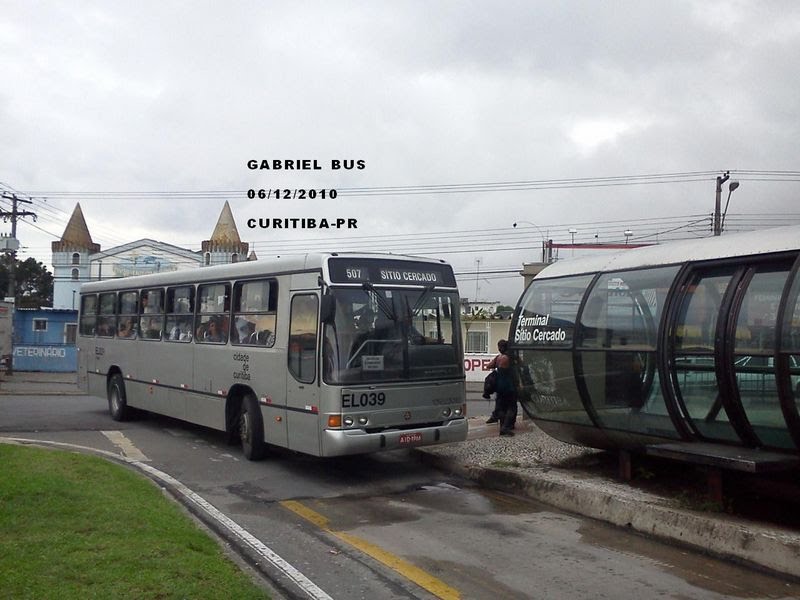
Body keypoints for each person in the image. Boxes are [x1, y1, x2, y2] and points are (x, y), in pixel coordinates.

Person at [485, 339, 517, 436]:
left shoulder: (498, 358)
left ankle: (502, 428)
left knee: (501, 407)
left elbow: (488, 366)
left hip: (499, 386)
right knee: (512, 407)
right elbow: (521, 365)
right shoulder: (511, 358)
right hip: (509, 385)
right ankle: (506, 427)